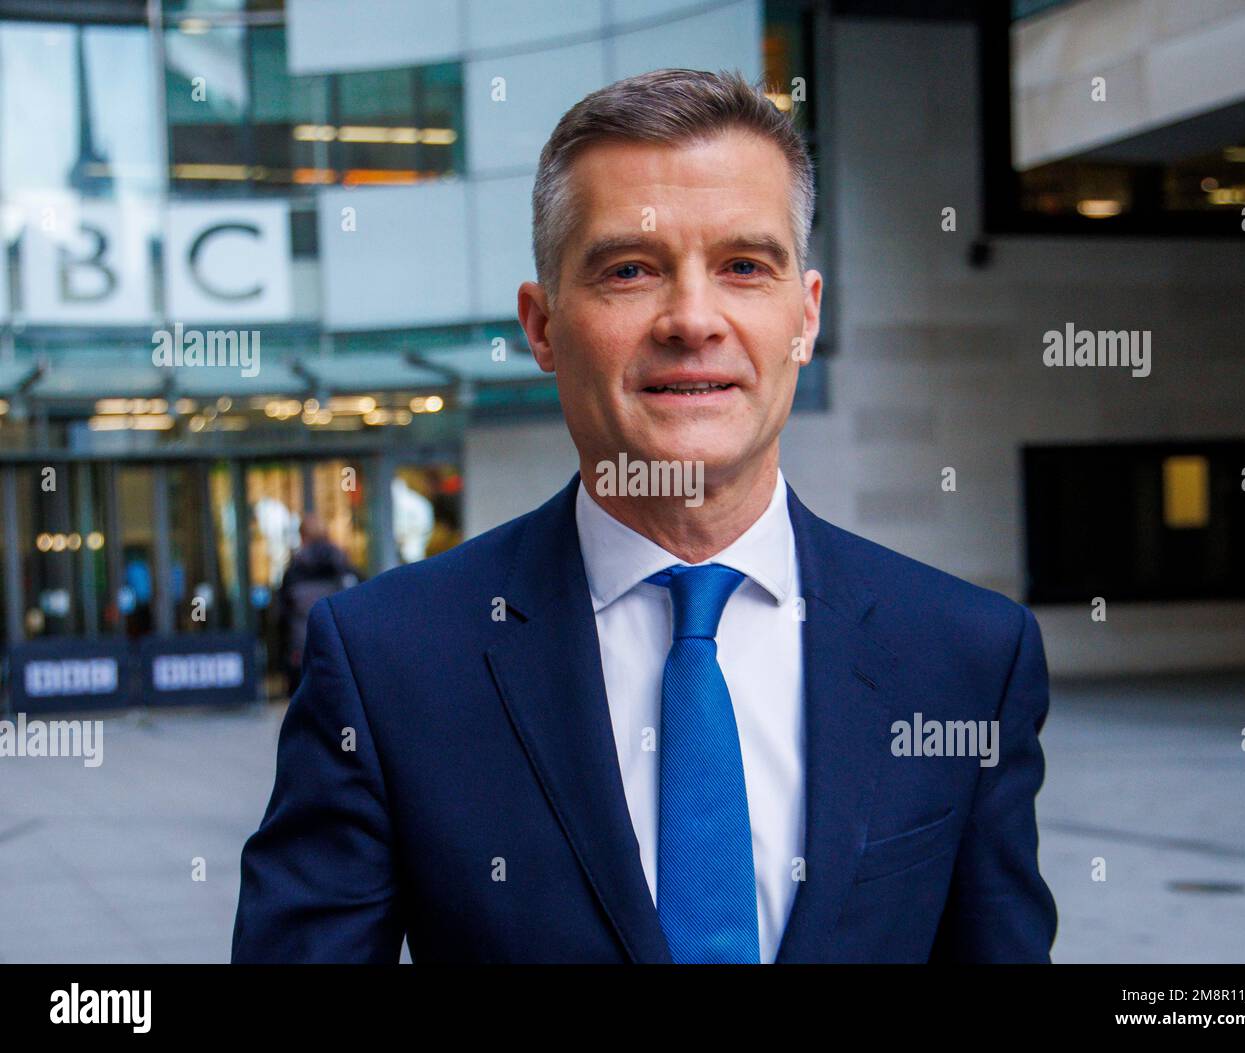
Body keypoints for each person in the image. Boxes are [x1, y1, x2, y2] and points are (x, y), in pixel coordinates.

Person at [232, 68, 1057, 964]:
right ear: (542, 325)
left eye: (745, 266)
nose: (692, 319)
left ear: (805, 317)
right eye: (630, 270)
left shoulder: (968, 656)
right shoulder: (384, 662)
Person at [275, 513, 359, 698]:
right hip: (342, 649)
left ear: (302, 537)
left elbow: (281, 616)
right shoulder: (345, 565)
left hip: (302, 649)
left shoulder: (294, 571)